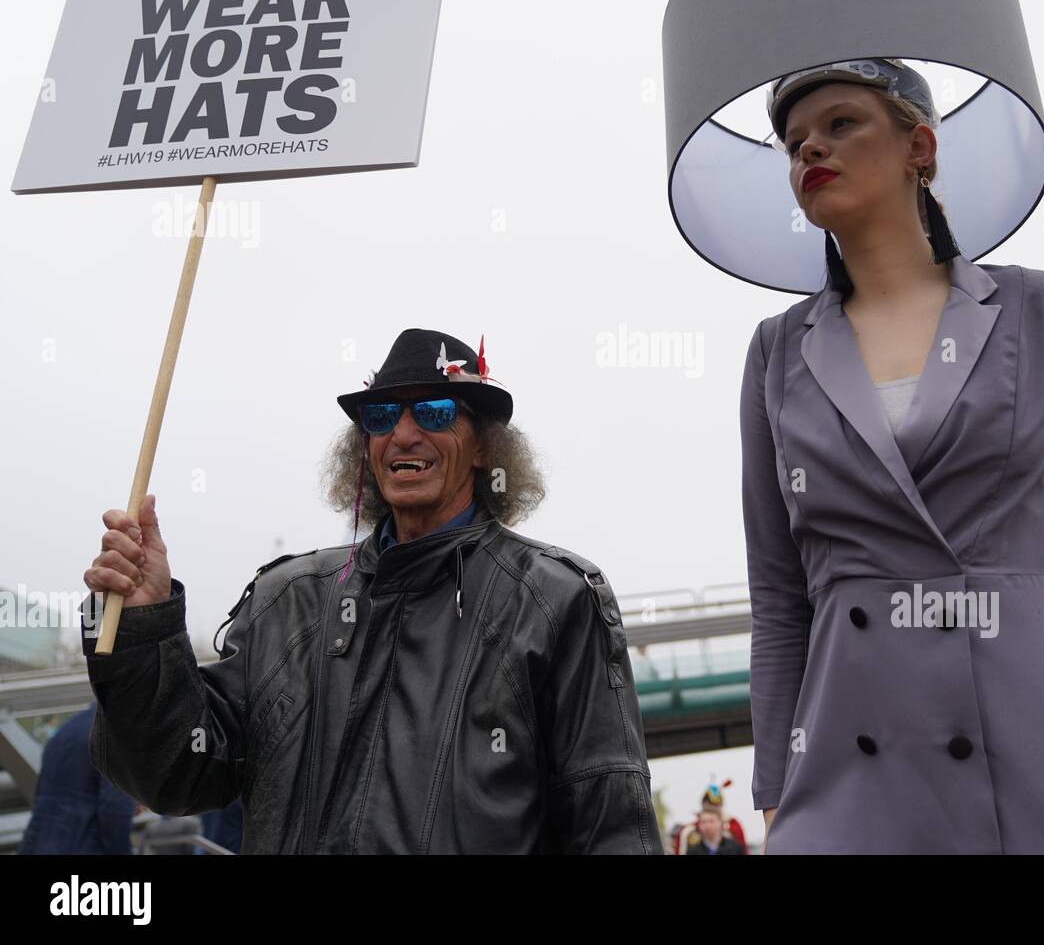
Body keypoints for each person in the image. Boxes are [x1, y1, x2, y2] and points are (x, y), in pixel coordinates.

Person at [741, 59, 1044, 854]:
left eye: (839, 124)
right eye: (792, 144)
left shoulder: (1042, 308)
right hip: (856, 758)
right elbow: (779, 595)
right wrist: (776, 786)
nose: (808, 153)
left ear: (919, 147)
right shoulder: (774, 354)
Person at [81, 328, 660, 854]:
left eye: (434, 412)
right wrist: (143, 626)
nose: (404, 434)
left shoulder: (553, 600)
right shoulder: (288, 601)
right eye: (381, 416)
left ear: (484, 447)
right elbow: (180, 773)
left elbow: (609, 823)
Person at [16, 702, 135, 855]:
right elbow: (115, 809)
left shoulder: (67, 729)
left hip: (37, 843)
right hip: (83, 845)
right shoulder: (115, 731)